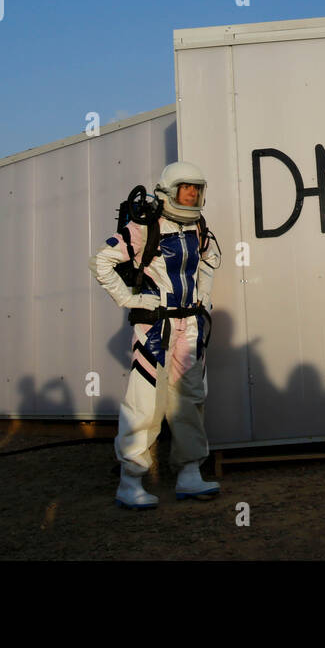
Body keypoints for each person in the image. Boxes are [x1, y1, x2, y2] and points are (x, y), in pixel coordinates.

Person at [91, 160, 222, 508]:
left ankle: (190, 472)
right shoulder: (144, 227)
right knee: (145, 403)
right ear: (168, 191)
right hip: (155, 328)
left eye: (197, 188)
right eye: (186, 188)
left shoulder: (199, 227)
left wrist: (204, 296)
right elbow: (102, 261)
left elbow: (209, 259)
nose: (192, 194)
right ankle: (130, 480)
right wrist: (130, 299)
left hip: (190, 326)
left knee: (190, 401)